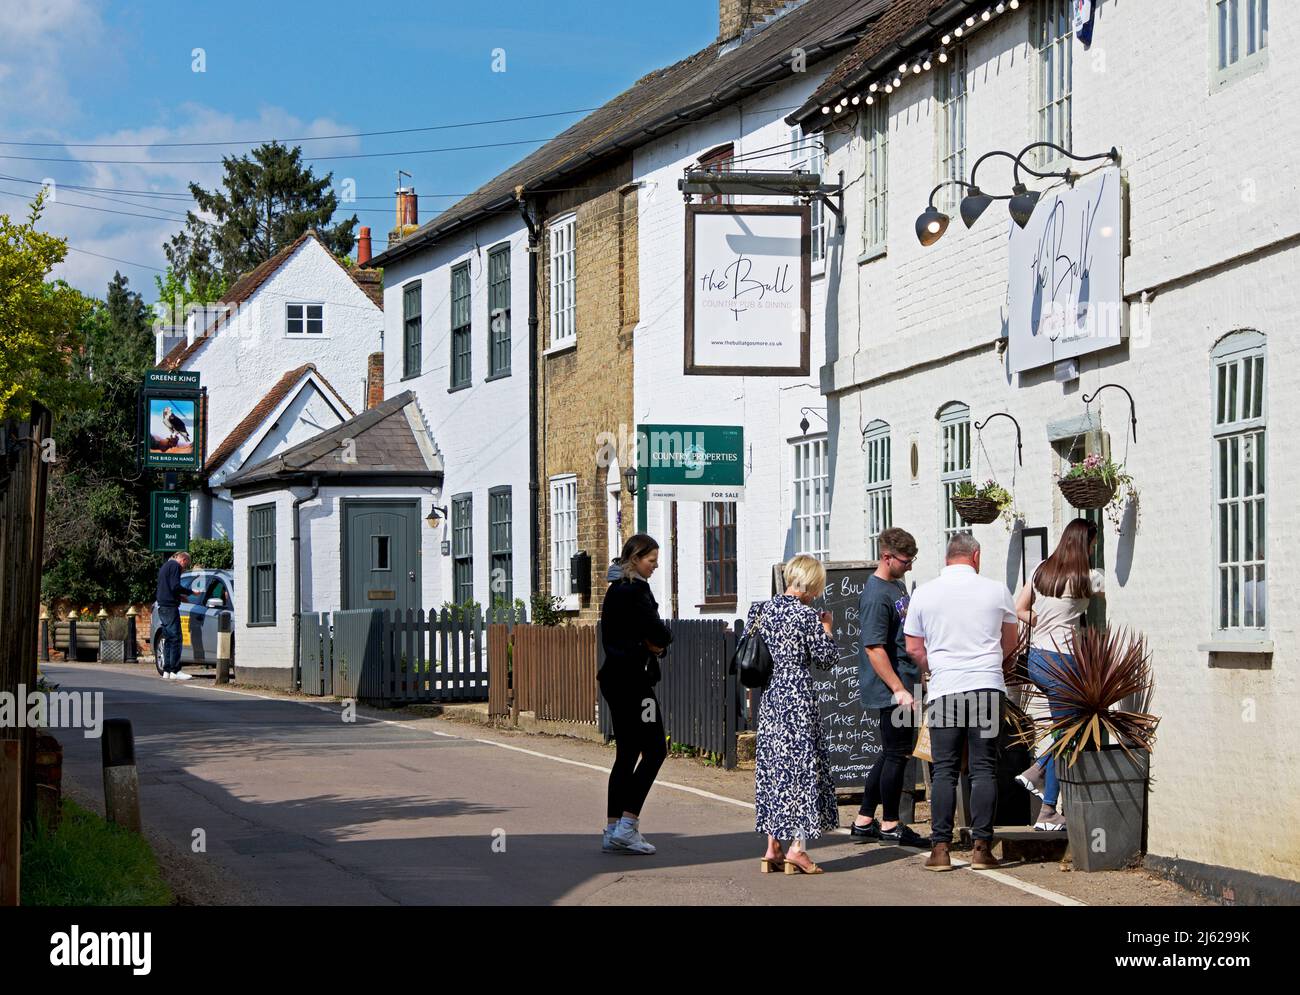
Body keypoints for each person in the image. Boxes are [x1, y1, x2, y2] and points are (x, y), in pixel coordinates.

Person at [904, 534, 1018, 872]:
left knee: (944, 770)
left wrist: (932, 668)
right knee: (983, 769)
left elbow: (913, 648)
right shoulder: (997, 590)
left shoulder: (924, 593)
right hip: (985, 687)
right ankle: (982, 848)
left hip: (944, 690)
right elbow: (1010, 643)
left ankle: (940, 849)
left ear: (948, 556)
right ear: (976, 556)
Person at [1013, 518, 1105, 831]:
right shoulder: (1090, 577)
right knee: (1068, 735)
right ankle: (1048, 809)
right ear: (1086, 544)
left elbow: (1019, 608)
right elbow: (1104, 600)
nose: (1094, 548)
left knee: (1066, 730)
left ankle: (1037, 771)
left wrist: (1044, 623)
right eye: (1093, 543)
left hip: (1037, 660)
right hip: (1064, 663)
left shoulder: (1041, 570)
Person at [750, 554, 840, 875]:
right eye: (816, 587)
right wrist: (827, 629)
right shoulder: (806, 617)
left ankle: (772, 846)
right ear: (809, 583)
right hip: (798, 697)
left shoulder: (761, 611)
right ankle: (798, 850)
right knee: (802, 770)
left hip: (771, 698)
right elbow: (826, 659)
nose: (817, 593)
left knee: (776, 770)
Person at [598, 533, 673, 855]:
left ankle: (613, 828)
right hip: (635, 684)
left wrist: (647, 642)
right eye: (651, 561)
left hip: (613, 679)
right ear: (635, 559)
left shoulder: (613, 590)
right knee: (656, 749)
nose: (655, 567)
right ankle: (628, 826)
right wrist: (656, 642)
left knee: (627, 754)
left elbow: (619, 633)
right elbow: (659, 632)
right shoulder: (636, 589)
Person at [851, 528, 926, 848]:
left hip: (906, 681)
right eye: (906, 561)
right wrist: (899, 688)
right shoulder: (876, 594)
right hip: (893, 688)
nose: (910, 566)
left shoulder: (894, 586)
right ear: (887, 557)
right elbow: (874, 648)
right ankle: (891, 823)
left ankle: (864, 819)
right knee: (897, 754)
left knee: (892, 752)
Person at [155, 550, 193, 681]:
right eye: (186, 565)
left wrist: (180, 597)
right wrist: (190, 592)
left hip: (162, 606)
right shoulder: (175, 566)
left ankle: (167, 670)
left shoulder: (165, 566)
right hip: (170, 608)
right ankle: (175, 670)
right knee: (176, 638)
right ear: (183, 560)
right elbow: (175, 586)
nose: (184, 568)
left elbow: (168, 588)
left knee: (168, 639)